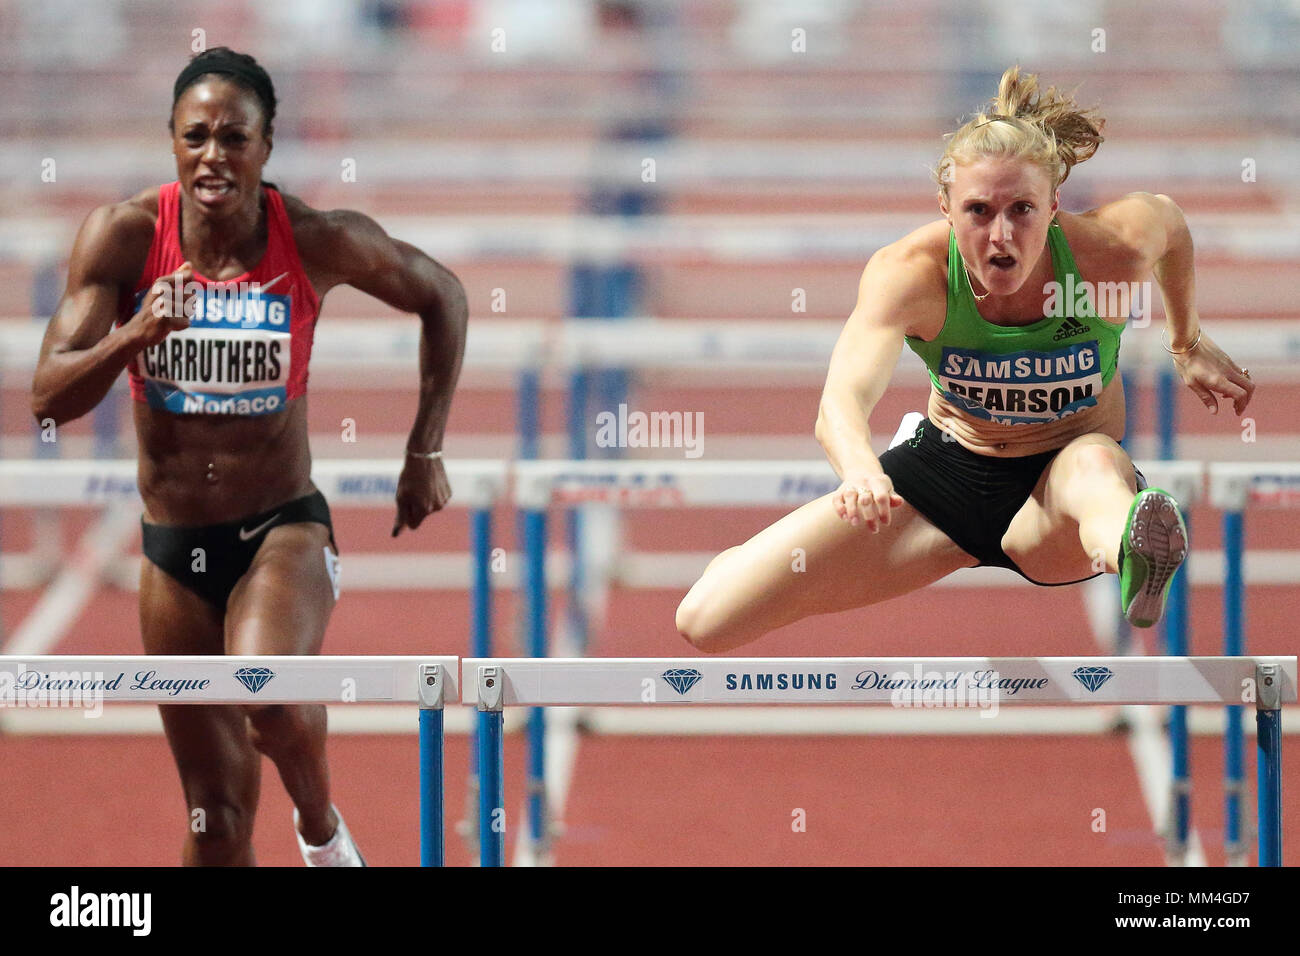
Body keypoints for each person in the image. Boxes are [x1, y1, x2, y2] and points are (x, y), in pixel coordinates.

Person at [30, 48, 468, 865]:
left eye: (236, 137)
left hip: (281, 532)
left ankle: (320, 829)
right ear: (170, 141)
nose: (213, 156)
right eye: (195, 136)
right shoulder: (125, 238)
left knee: (264, 690)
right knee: (217, 819)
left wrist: (424, 448)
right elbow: (46, 398)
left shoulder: (311, 239)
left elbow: (441, 293)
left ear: (268, 146)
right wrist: (133, 335)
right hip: (171, 553)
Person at [677, 66, 1254, 653]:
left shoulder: (1111, 249)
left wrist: (1186, 342)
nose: (1001, 234)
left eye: (1022, 210)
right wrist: (860, 471)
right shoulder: (911, 273)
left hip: (1058, 485)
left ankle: (1128, 550)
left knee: (1094, 469)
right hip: (943, 475)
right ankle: (744, 564)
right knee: (704, 621)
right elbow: (842, 401)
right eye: (979, 211)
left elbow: (1172, 225)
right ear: (946, 208)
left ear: (1054, 206)